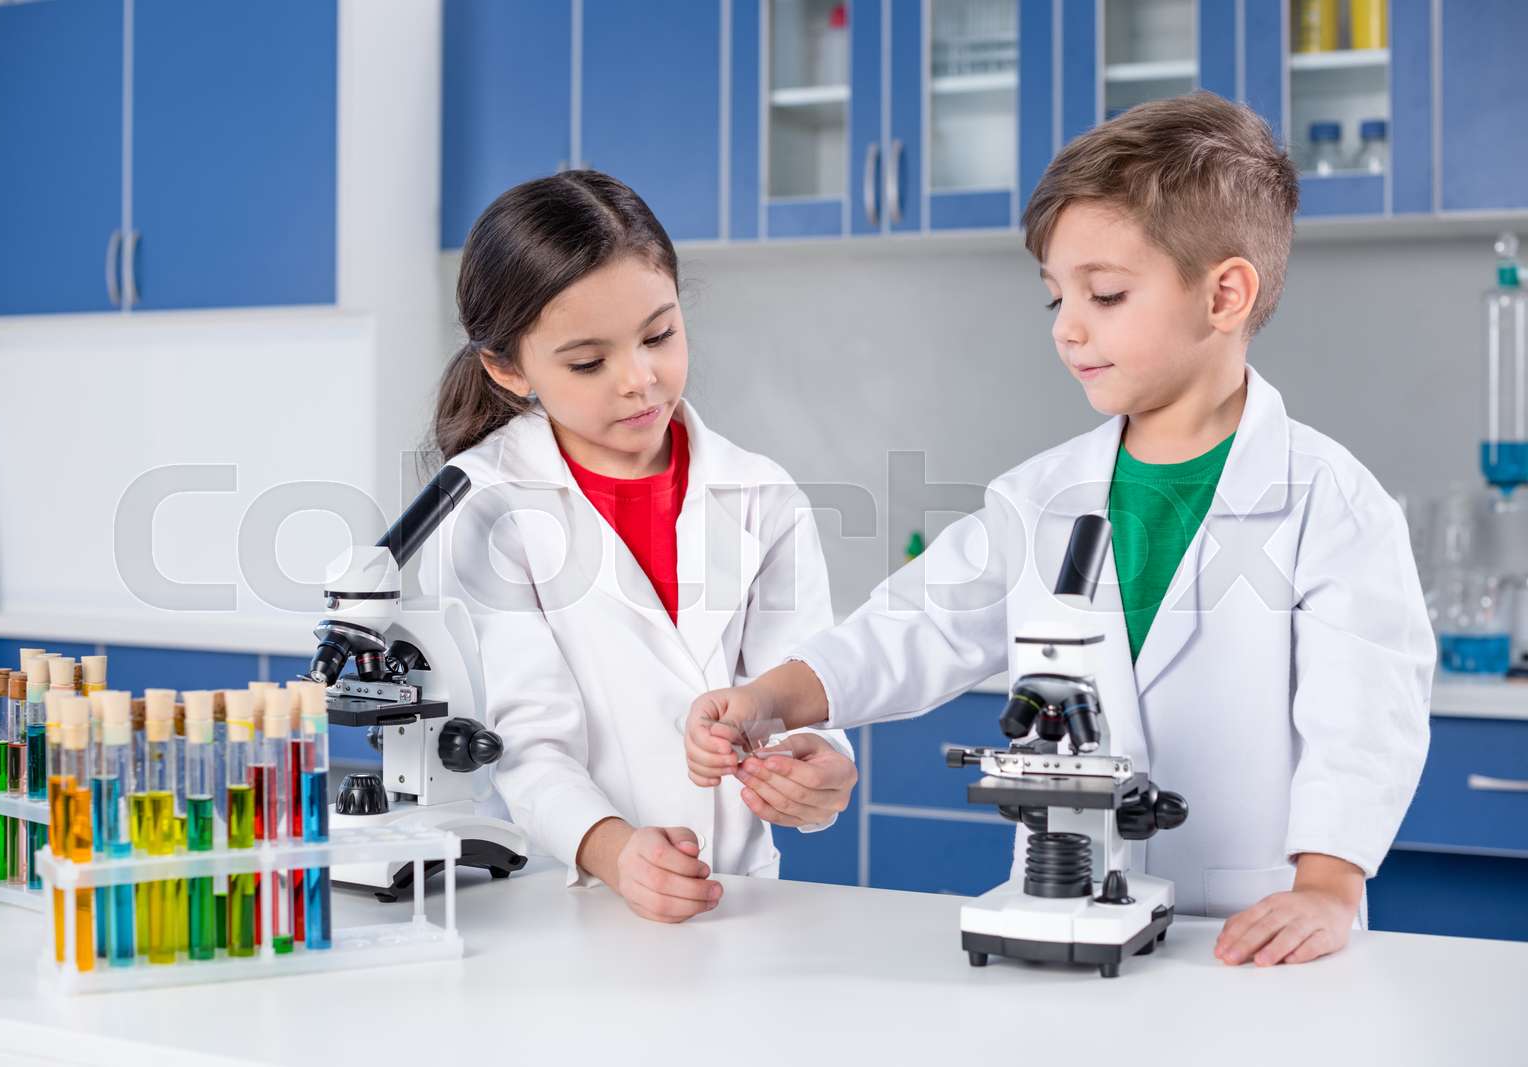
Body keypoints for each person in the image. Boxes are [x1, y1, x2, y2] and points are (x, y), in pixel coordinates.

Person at [685, 93, 1433, 966]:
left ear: (1225, 294)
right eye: (1056, 300)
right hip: (1071, 914)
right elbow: (914, 625)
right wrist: (771, 698)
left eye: (1105, 294)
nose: (1070, 329)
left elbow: (1365, 720)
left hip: (1253, 930)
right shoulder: (1038, 497)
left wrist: (1328, 885)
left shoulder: (1331, 502)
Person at [428, 171, 858, 924]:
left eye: (659, 335)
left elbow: (800, 690)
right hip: (564, 906)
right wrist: (615, 851)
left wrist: (817, 771)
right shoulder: (487, 506)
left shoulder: (761, 494)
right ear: (508, 369)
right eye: (588, 362)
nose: (640, 379)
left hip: (738, 900)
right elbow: (525, 741)